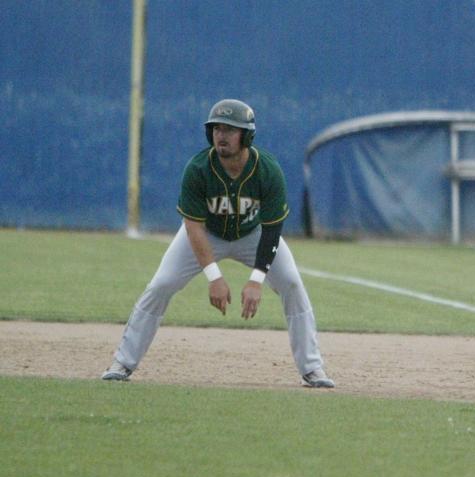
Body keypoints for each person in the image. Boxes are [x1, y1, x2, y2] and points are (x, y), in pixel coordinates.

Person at [102, 99, 335, 388]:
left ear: (247, 136)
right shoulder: (199, 169)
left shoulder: (268, 170)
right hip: (207, 233)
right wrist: (214, 275)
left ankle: (312, 369)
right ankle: (122, 363)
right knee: (161, 284)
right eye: (216, 129)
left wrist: (256, 279)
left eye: (230, 129)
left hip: (253, 235)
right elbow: (193, 227)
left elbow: (273, 228)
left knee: (291, 283)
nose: (221, 135)